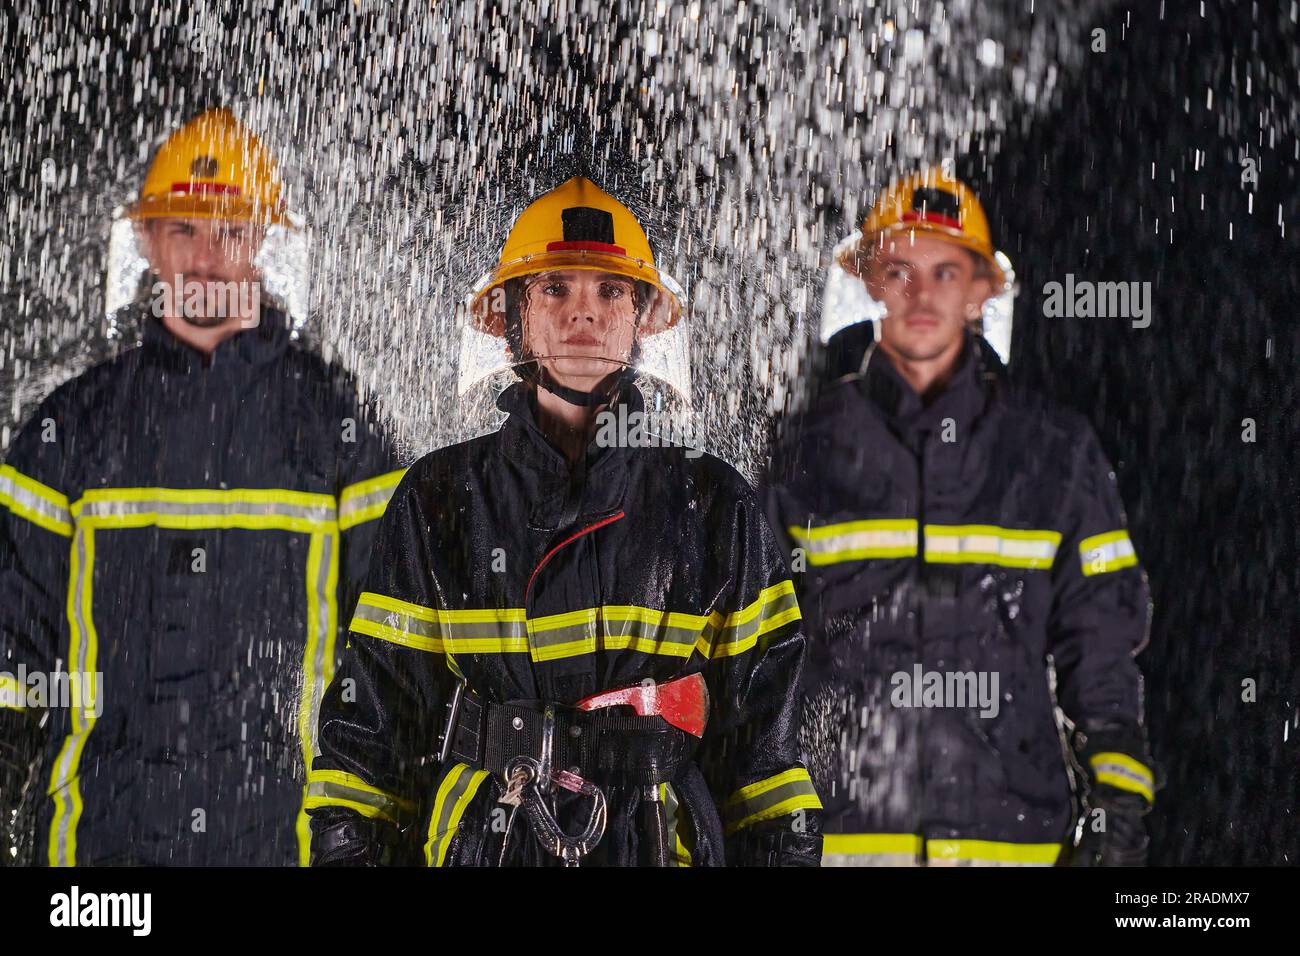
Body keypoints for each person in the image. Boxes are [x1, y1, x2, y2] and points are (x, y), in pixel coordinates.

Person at [307, 176, 822, 866]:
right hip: (486, 848)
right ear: (515, 317)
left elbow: (766, 752)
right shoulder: (438, 496)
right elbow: (372, 719)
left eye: (610, 292)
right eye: (555, 289)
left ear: (642, 319)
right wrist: (348, 846)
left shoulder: (711, 503)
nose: (584, 315)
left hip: (656, 847)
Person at [0, 108, 403, 866]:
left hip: (286, 845)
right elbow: (10, 638)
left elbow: (390, 656)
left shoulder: (340, 429)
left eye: (230, 229)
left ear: (264, 241)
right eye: (184, 228)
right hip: (97, 861)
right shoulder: (70, 430)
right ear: (148, 244)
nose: (207, 256)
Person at [766, 167, 1155, 866]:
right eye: (900, 270)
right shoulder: (806, 450)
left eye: (946, 272)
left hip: (1013, 848)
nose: (921, 294)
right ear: (870, 282)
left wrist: (1118, 800)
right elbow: (760, 656)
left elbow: (1099, 643)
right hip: (845, 846)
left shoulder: (1054, 455)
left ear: (981, 293)